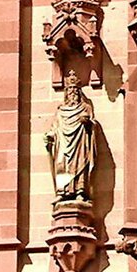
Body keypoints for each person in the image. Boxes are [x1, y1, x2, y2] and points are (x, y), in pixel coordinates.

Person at [45, 71, 98, 204]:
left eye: (75, 89)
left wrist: (87, 122)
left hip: (80, 142)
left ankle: (80, 191)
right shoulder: (60, 110)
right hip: (63, 142)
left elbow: (93, 124)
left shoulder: (85, 107)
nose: (72, 92)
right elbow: (55, 127)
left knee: (80, 162)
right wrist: (50, 136)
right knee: (61, 164)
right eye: (70, 89)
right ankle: (62, 192)